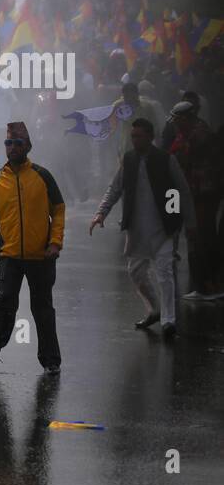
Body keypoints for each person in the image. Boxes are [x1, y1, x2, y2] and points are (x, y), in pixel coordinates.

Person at [0, 121, 65, 373]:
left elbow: (58, 210)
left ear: (28, 146)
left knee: (42, 308)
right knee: (3, 303)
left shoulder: (42, 176)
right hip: (9, 255)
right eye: (8, 143)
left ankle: (51, 361)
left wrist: (55, 243)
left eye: (17, 143)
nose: (12, 147)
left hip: (41, 256)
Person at [89, 118, 194, 339]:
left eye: (138, 136)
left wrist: (178, 219)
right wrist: (101, 213)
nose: (134, 140)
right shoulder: (129, 160)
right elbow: (115, 189)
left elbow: (180, 190)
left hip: (163, 228)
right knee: (136, 272)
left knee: (164, 272)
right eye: (133, 136)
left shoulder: (166, 160)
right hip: (137, 229)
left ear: (150, 136)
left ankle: (168, 320)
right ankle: (155, 309)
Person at [168, 100, 221, 300]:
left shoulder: (197, 135)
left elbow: (179, 156)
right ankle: (206, 284)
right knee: (198, 235)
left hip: (200, 193)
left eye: (176, 119)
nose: (174, 123)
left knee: (200, 236)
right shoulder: (193, 131)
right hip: (193, 192)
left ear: (185, 118)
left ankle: (208, 286)